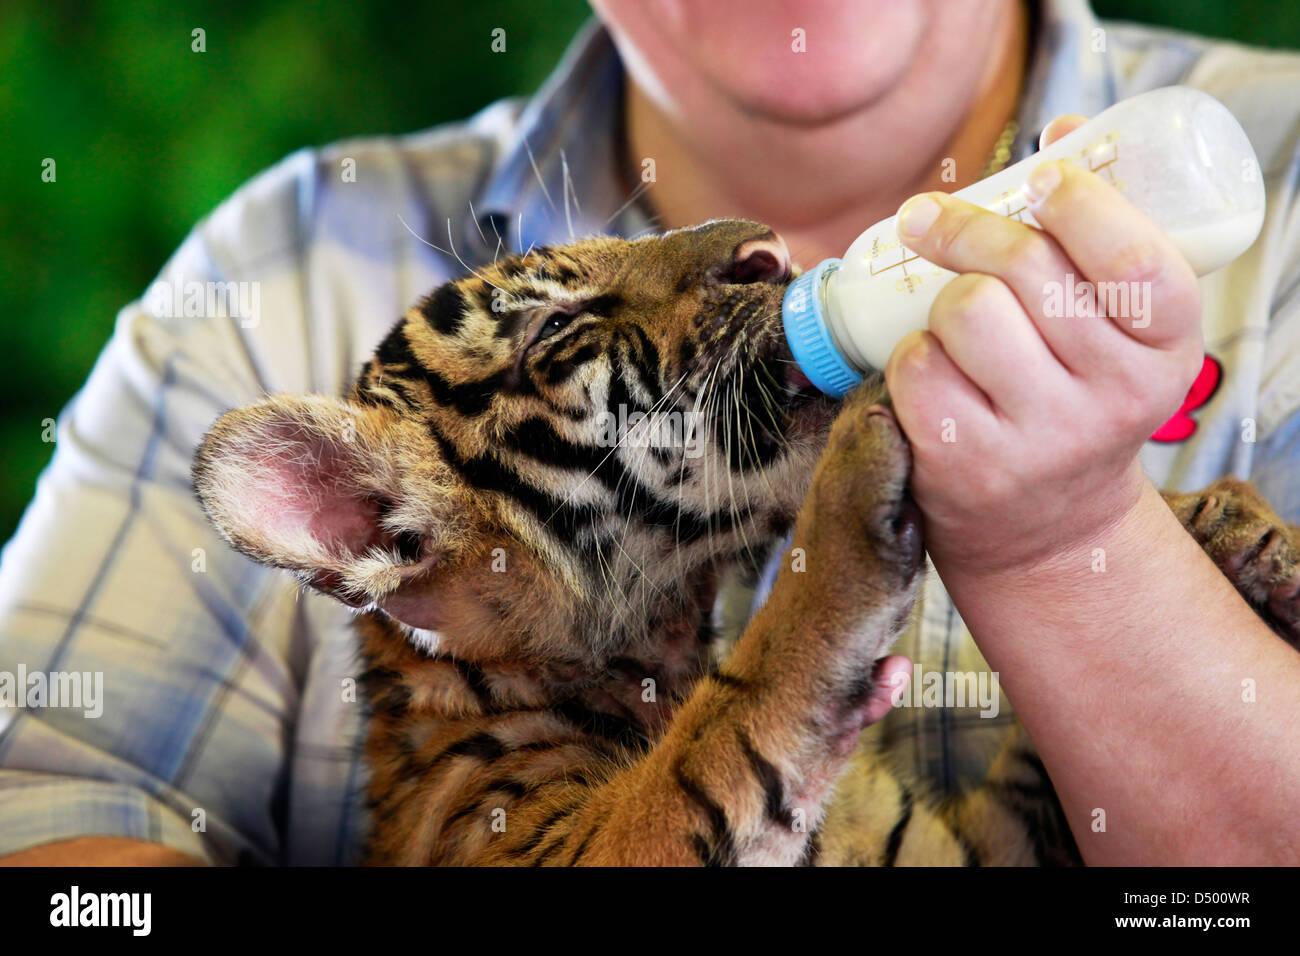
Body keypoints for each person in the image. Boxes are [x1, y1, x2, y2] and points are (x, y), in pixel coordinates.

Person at [2, 0, 1299, 866]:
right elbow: (49, 842)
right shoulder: (268, 280)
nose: (741, 254)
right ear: (404, 542)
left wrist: (1074, 543)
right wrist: (813, 630)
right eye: (571, 323)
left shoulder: (1281, 174)